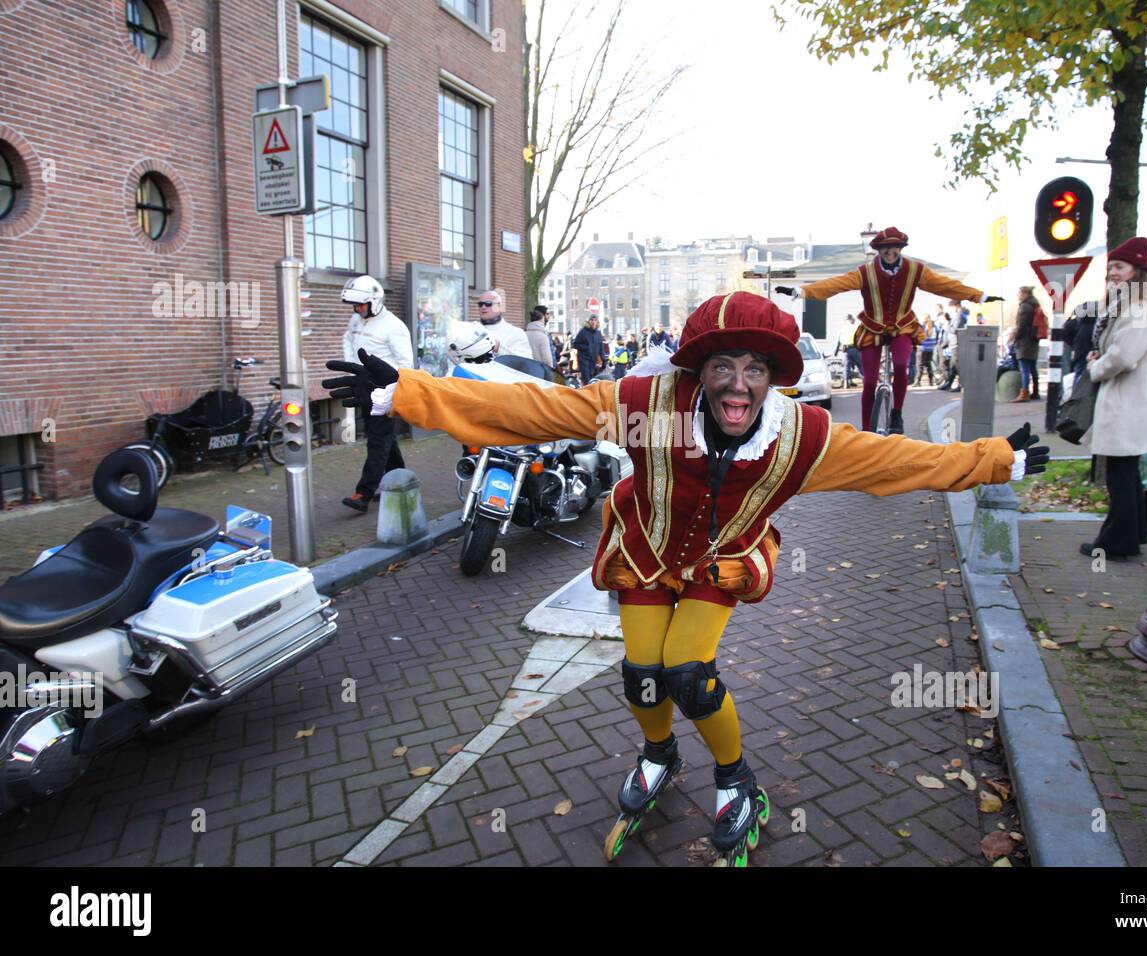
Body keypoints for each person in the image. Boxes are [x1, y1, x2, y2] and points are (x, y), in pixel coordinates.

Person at [322, 291, 1049, 866]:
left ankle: (736, 777)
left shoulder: (802, 439)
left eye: (756, 370)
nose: (739, 386)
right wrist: (415, 393)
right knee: (641, 673)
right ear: (699, 372)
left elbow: (900, 463)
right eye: (724, 367)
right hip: (644, 551)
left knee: (688, 672)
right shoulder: (645, 407)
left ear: (772, 378)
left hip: (720, 561)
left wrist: (993, 459)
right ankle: (659, 753)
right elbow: (540, 408)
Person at [777, 227, 1000, 434]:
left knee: (902, 365)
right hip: (872, 328)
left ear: (900, 249)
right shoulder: (865, 272)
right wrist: (802, 291)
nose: (889, 253)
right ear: (879, 250)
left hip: (902, 326)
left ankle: (896, 414)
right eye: (884, 249)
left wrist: (978, 296)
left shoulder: (915, 270)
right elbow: (836, 284)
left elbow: (945, 285)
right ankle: (866, 430)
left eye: (893, 248)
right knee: (870, 381)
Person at [1081, 237, 1147, 560]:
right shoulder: (1137, 303)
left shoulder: (1136, 306)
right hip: (1133, 400)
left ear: (1138, 270)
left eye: (1118, 267)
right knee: (1127, 471)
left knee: (1120, 473)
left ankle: (1116, 542)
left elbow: (1124, 356)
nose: (1113, 274)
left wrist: (1096, 366)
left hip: (1128, 402)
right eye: (1110, 269)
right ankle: (1131, 536)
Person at [339, 274, 414, 513]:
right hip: (364, 386)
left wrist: (396, 391)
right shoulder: (356, 320)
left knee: (377, 439)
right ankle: (400, 480)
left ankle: (364, 492)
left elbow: (405, 363)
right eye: (355, 305)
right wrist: (353, 370)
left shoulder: (394, 327)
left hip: (385, 390)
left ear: (375, 301)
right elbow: (348, 341)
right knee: (383, 438)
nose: (357, 309)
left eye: (361, 304)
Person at [477, 289, 533, 358]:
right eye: (480, 304)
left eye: (488, 303)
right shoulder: (471, 330)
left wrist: (498, 348)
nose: (483, 307)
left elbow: (525, 362)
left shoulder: (516, 333)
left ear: (499, 306)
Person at [1012, 286, 1041, 402]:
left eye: (1019, 293)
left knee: (1024, 368)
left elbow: (1022, 325)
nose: (1018, 295)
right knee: (1033, 367)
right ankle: (1035, 392)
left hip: (1025, 341)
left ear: (1025, 294)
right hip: (1033, 340)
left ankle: (1024, 393)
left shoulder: (1025, 307)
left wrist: (1015, 337)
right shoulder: (1035, 305)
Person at [574, 314, 605, 384]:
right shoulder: (583, 332)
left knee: (592, 381)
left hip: (593, 361)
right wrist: (587, 347)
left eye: (595, 320)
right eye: (592, 320)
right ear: (588, 322)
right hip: (583, 360)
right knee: (587, 381)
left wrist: (604, 360)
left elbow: (601, 348)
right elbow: (575, 344)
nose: (593, 322)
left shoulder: (598, 333)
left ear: (597, 322)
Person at [836, 314, 862, 387]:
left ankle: (846, 383)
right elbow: (860, 337)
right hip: (855, 349)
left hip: (845, 350)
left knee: (846, 367)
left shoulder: (842, 328)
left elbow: (838, 340)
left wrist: (835, 351)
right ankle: (867, 380)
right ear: (852, 320)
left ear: (847, 321)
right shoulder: (856, 327)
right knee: (860, 365)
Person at [918, 314, 937, 386]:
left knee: (920, 364)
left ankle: (918, 381)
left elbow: (921, 336)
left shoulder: (923, 326)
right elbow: (936, 336)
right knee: (928, 364)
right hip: (931, 347)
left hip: (924, 347)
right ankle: (931, 381)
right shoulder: (934, 326)